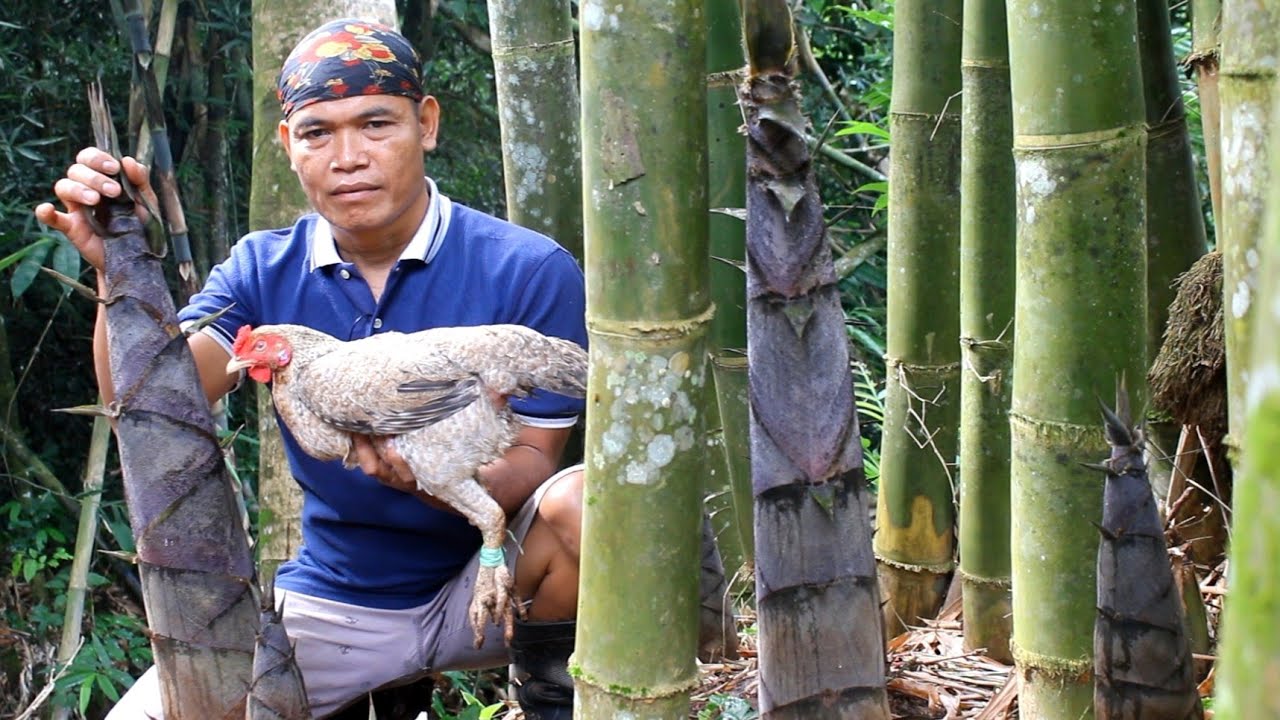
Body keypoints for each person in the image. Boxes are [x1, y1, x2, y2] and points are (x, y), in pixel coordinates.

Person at [36, 19, 584, 720]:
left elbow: (536, 458)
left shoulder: (528, 269)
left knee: (583, 508)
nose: (348, 156)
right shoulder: (262, 269)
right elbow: (144, 403)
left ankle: (552, 701)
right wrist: (122, 267)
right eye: (319, 133)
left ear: (427, 124)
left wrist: (431, 478)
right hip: (334, 602)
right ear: (289, 146)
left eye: (376, 123)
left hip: (489, 574)